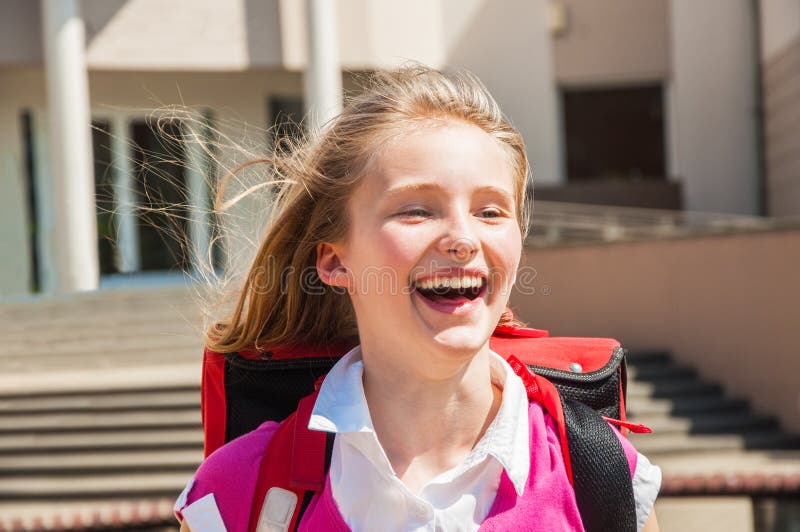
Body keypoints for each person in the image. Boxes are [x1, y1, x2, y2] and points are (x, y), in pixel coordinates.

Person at [174, 65, 661, 531]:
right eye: (416, 210)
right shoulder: (236, 493)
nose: (463, 238)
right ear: (334, 261)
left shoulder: (606, 475)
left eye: (491, 211)